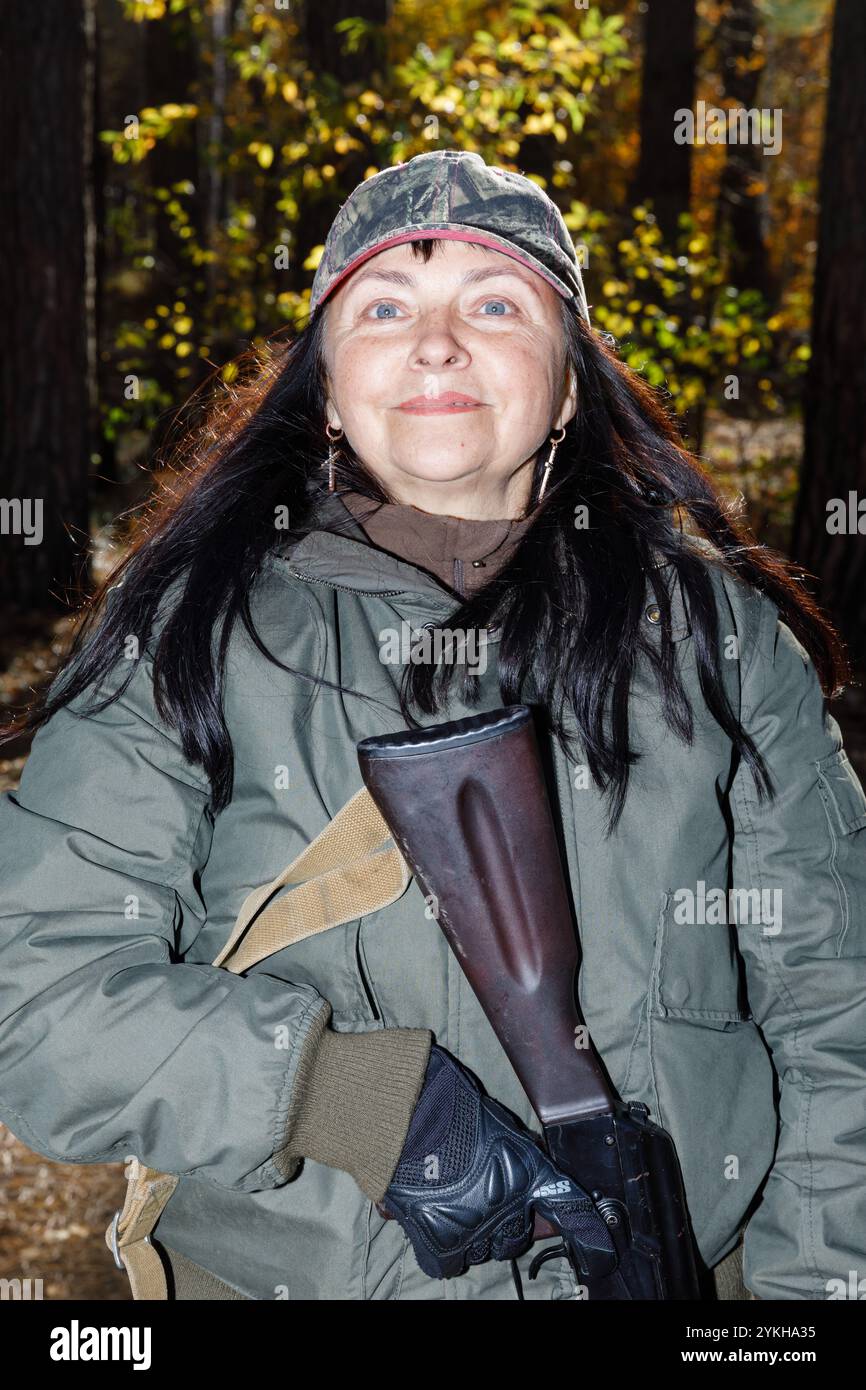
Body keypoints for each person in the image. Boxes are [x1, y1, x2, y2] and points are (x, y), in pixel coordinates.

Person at [1, 149, 864, 1302]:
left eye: (494, 304)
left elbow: (835, 1008)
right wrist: (347, 1099)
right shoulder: (190, 635)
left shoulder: (719, 639)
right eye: (385, 306)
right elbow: (36, 994)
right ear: (322, 384)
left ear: (564, 385)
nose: (437, 342)